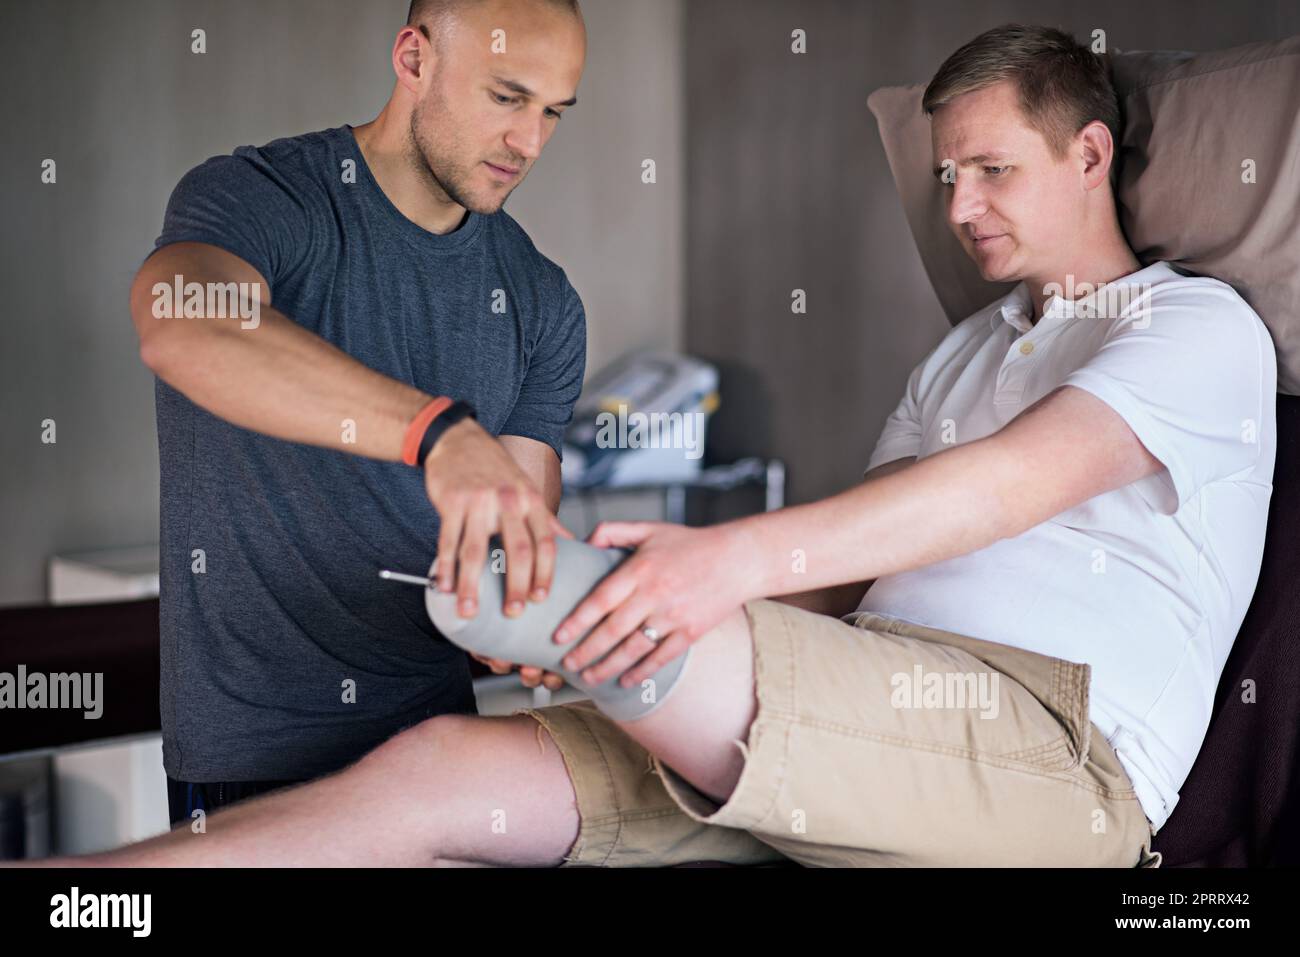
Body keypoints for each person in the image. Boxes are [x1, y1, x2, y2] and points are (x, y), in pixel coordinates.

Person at [79, 22, 1273, 867]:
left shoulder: (1196, 330)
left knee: (626, 634)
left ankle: (598, 632)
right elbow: (854, 563)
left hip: (1044, 750)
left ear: (1089, 156)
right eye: (949, 174)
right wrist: (665, 592)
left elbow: (1007, 485)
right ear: (414, 58)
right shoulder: (962, 356)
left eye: (991, 171)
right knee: (447, 770)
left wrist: (713, 571)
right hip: (848, 698)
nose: (958, 209)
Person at [128, 0, 588, 826]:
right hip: (255, 763)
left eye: (554, 112)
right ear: (413, 59)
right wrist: (435, 433)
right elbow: (180, 323)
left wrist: (533, 613)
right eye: (507, 98)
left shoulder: (543, 299)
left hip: (442, 753)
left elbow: (507, 550)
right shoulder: (263, 200)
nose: (532, 143)